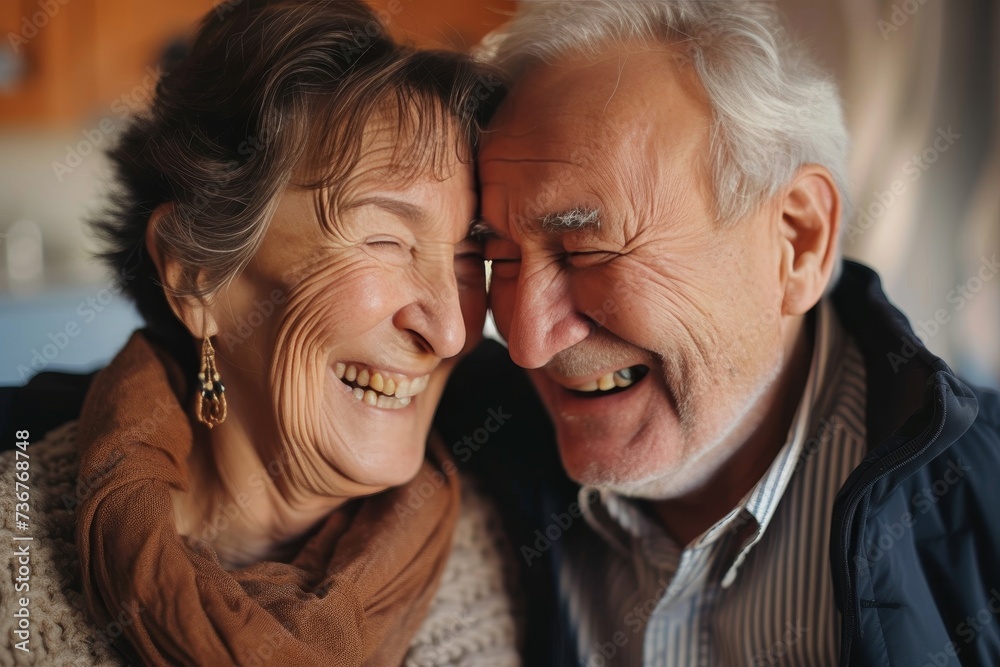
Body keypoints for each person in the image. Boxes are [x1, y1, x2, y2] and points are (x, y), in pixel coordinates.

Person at [451, 1, 1000, 665]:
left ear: (797, 240)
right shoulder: (460, 454)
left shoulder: (983, 511)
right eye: (500, 259)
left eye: (586, 250)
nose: (527, 341)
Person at [0, 1, 520, 665]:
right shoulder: (16, 559)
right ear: (197, 275)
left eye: (464, 256)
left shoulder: (509, 560)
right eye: (385, 240)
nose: (451, 329)